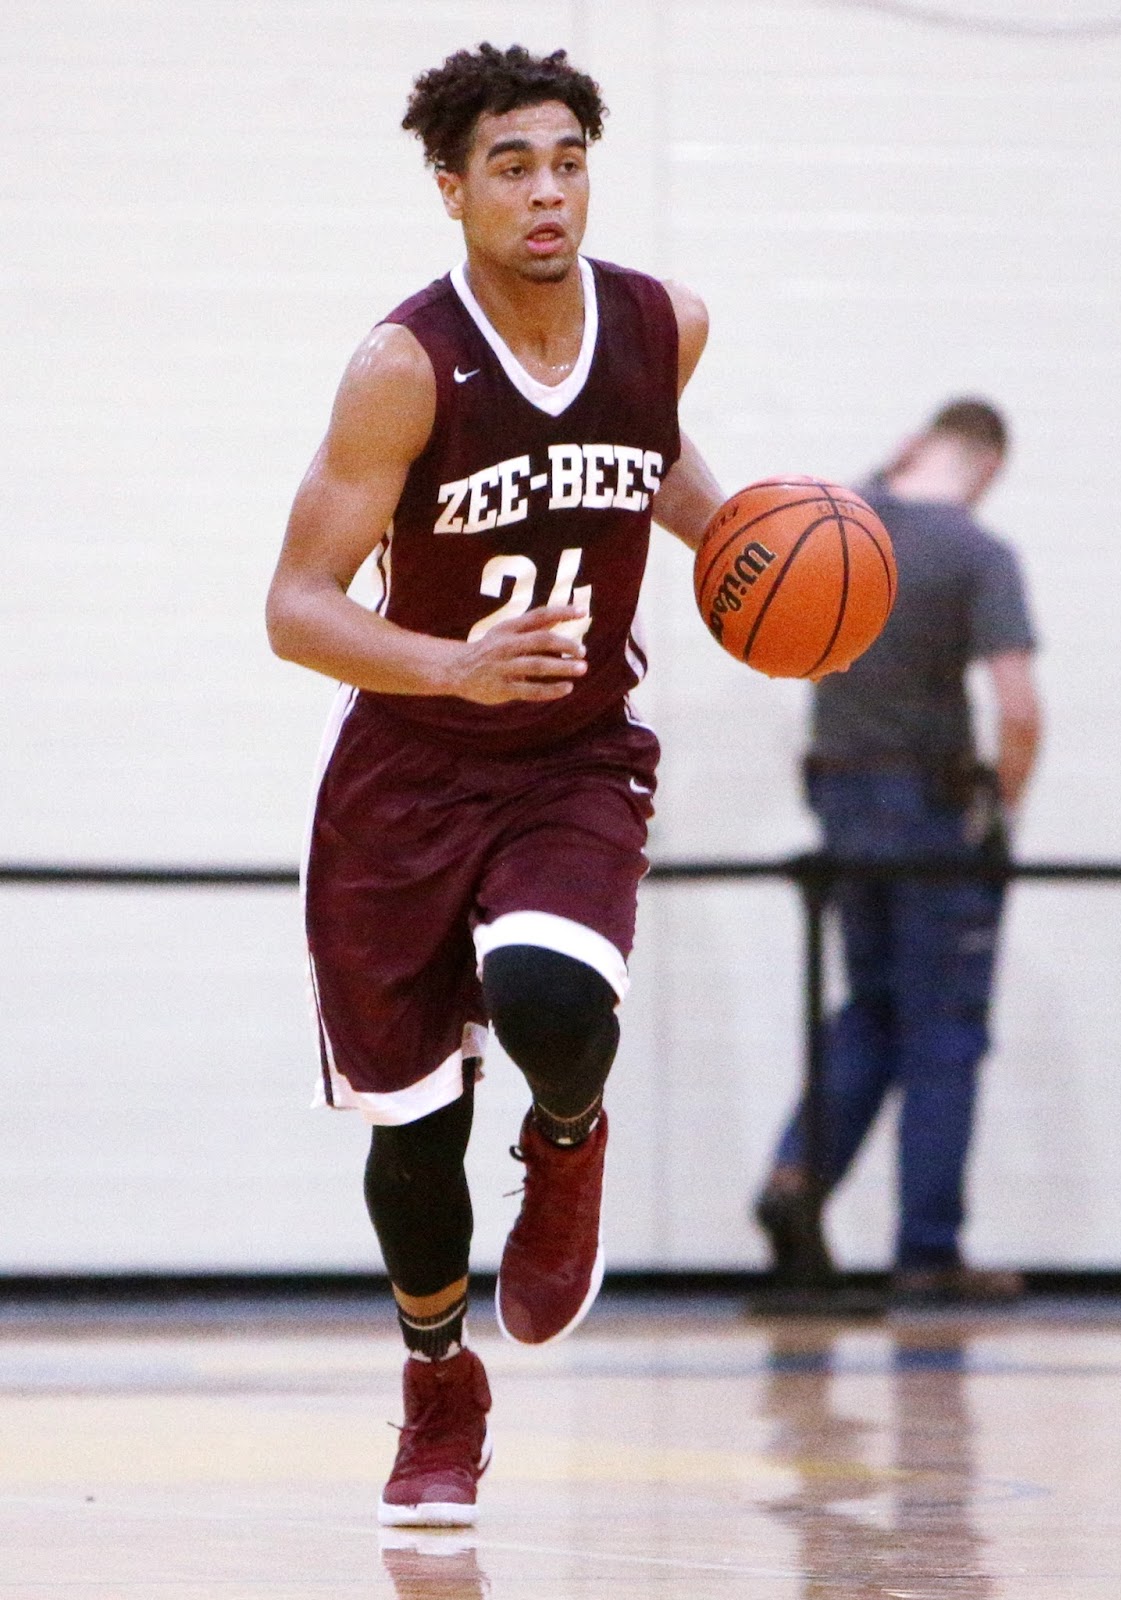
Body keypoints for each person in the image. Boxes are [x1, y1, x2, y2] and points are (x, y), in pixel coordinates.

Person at [265, 43, 724, 1526]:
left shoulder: (665, 323)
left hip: (575, 759)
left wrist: (765, 563)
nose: (545, 190)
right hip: (409, 770)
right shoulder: (402, 367)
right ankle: (436, 1381)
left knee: (547, 994)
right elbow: (295, 605)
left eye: (567, 160)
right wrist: (454, 664)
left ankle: (570, 1147)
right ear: (452, 188)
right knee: (413, 1137)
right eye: (510, 166)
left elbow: (651, 465)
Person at [755, 400, 1042, 1305]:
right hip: (928, 805)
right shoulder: (976, 554)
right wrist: (999, 810)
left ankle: (794, 1177)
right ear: (985, 468)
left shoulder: (838, 529)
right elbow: (1019, 706)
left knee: (868, 1009)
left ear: (918, 442)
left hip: (840, 793)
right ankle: (927, 1252)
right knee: (943, 1031)